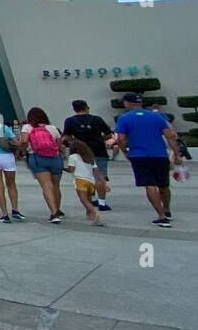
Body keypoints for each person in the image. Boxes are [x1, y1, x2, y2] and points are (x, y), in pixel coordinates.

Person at [114, 92, 181, 228]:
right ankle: (167, 209)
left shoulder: (124, 118)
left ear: (127, 103)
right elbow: (170, 136)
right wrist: (177, 154)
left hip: (139, 156)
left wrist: (125, 151)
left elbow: (120, 139)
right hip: (160, 155)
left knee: (150, 185)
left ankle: (161, 216)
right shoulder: (157, 116)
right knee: (163, 185)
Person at [63, 100, 115, 213]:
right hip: (99, 150)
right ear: (86, 107)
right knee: (100, 175)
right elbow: (108, 134)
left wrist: (75, 142)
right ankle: (101, 202)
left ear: (74, 109)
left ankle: (89, 200)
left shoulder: (70, 121)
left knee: (85, 176)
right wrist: (101, 139)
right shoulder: (96, 119)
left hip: (81, 153)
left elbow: (66, 136)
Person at [19, 106, 65, 223]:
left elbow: (24, 141)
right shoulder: (52, 128)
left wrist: (23, 152)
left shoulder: (27, 127)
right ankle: (58, 209)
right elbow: (59, 145)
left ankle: (54, 213)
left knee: (46, 185)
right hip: (55, 158)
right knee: (56, 186)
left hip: (37, 158)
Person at [62, 136, 103, 225]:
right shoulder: (90, 158)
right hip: (91, 181)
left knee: (83, 200)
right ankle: (89, 213)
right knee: (89, 198)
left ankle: (95, 213)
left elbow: (71, 170)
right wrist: (102, 182)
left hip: (80, 180)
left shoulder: (73, 157)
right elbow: (96, 170)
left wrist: (63, 168)